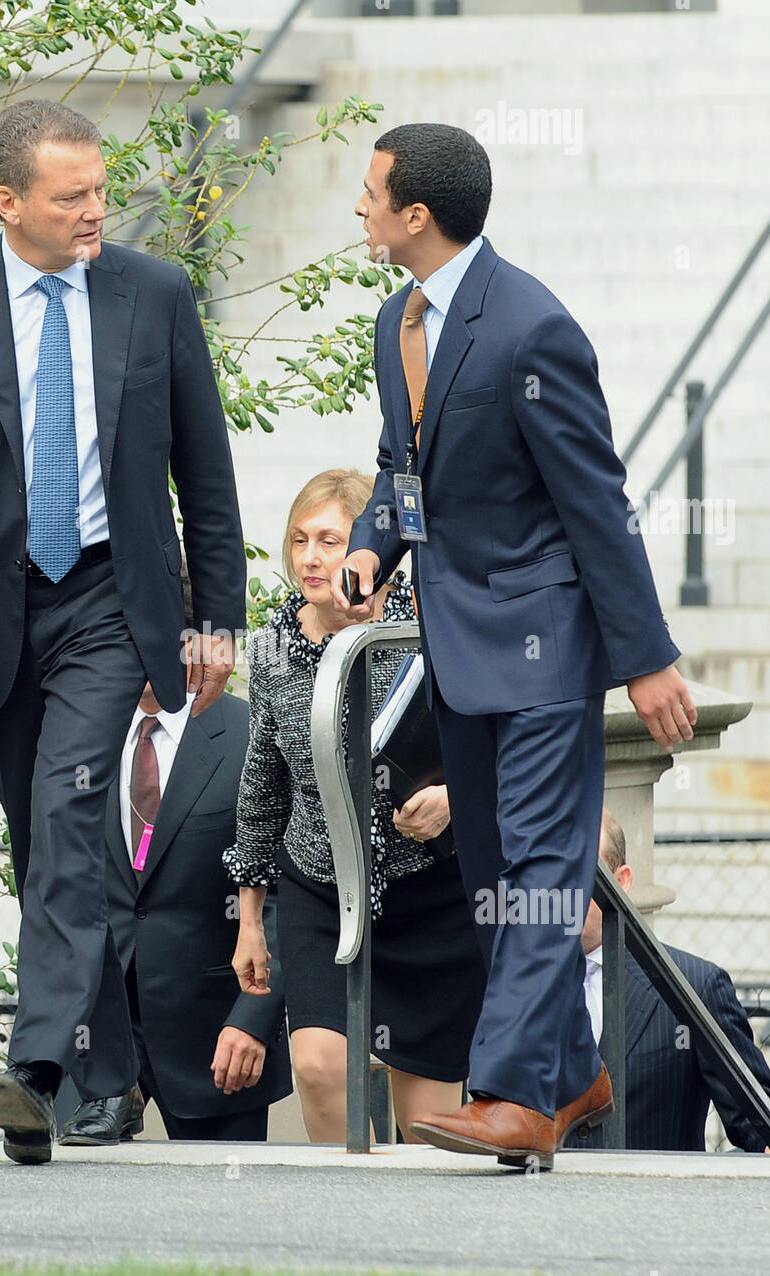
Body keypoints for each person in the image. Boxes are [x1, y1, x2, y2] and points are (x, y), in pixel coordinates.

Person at [0, 100, 244, 1163]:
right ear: (7, 201)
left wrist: (215, 616)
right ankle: (107, 1078)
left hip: (110, 604)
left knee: (72, 814)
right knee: (47, 845)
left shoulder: (152, 292)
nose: (95, 210)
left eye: (99, 189)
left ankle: (31, 1068)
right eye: (71, 195)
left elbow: (202, 469)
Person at [336, 123, 698, 1170]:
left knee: (542, 863)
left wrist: (645, 654)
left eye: (369, 194)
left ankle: (505, 1093)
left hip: (543, 646)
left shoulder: (532, 326)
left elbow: (597, 501)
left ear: (416, 213)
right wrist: (370, 550)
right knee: (494, 870)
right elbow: (395, 463)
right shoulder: (390, 322)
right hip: (456, 644)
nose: (357, 209)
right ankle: (572, 1069)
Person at [225, 469, 486, 1143]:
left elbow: (493, 747)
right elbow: (261, 792)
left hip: (425, 894)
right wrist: (249, 920)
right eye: (299, 540)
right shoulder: (272, 649)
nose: (310, 558)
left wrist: (453, 799)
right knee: (317, 1066)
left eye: (330, 541)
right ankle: (341, 1210)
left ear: (369, 551)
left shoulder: (425, 633)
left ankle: (409, 1237)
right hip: (320, 886)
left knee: (427, 1119)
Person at [62, 646, 292, 1144]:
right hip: (94, 1045)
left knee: (222, 1217)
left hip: (217, 1041)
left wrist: (255, 1019)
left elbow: (289, 889)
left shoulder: (251, 730)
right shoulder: (76, 734)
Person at [565, 811, 770, 1154]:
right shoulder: (515, 987)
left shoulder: (695, 987)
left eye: (582, 872)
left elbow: (758, 1128)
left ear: (622, 881)